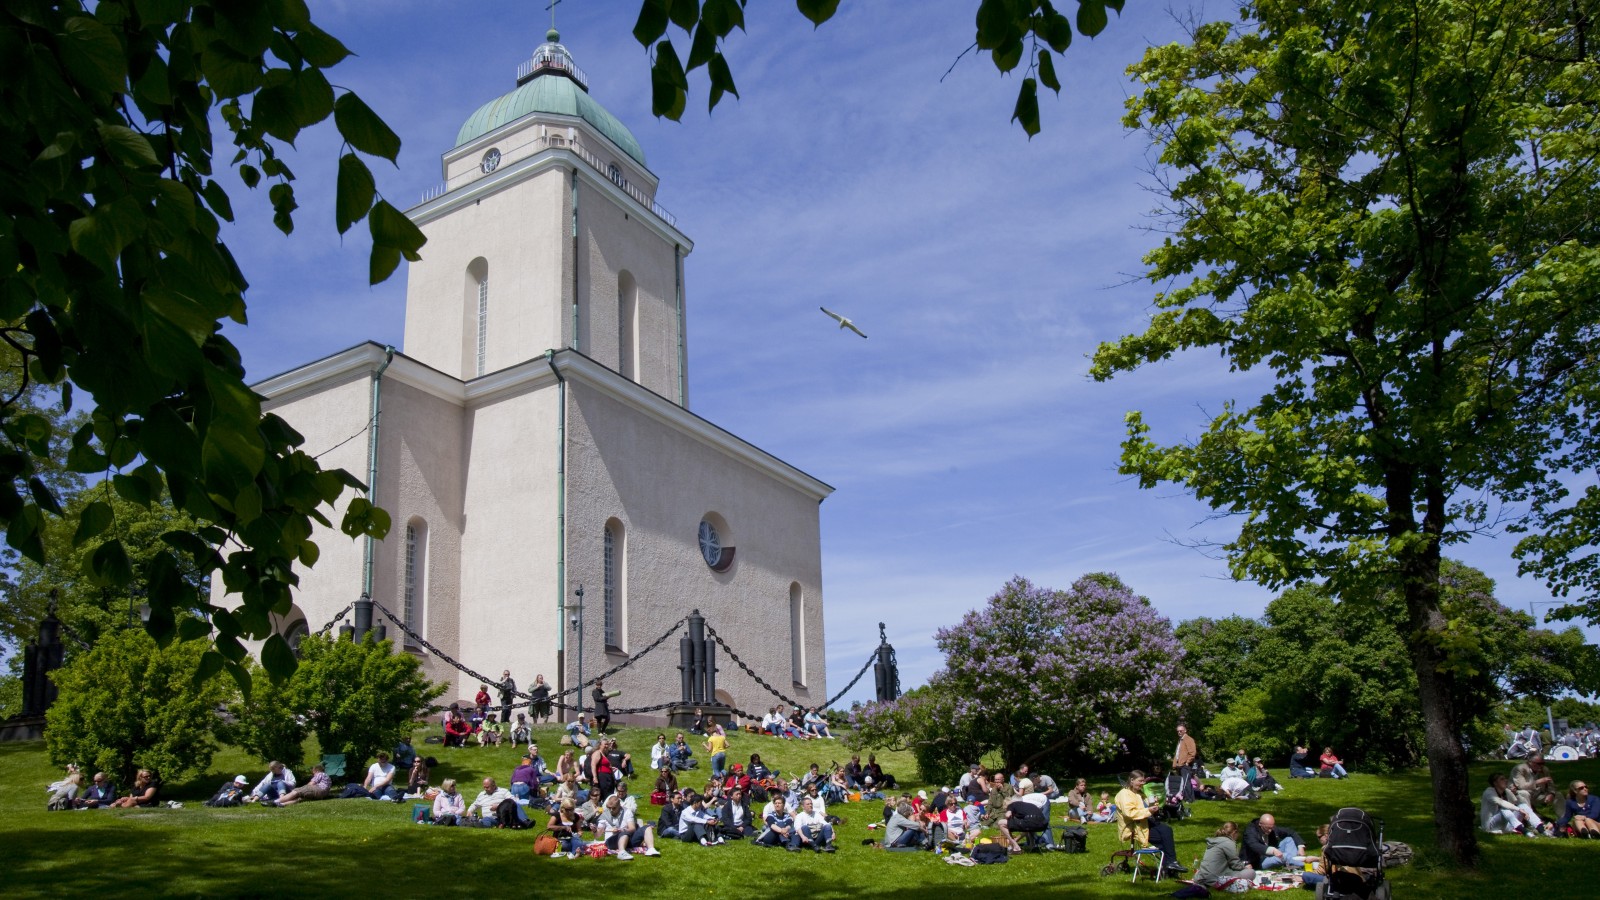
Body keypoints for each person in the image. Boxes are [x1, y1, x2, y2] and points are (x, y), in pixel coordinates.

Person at [1115, 770, 1182, 875]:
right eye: (1140, 781)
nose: (1142, 783)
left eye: (1143, 781)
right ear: (1132, 780)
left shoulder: (1139, 793)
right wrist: (1149, 811)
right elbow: (1130, 813)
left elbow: (1145, 807)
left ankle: (1170, 863)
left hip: (1144, 822)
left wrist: (1153, 805)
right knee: (1163, 840)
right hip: (1133, 826)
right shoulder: (1124, 794)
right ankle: (1168, 866)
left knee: (1167, 830)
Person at [596, 793, 660, 857]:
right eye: (609, 808)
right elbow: (598, 834)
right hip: (611, 842)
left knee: (647, 827)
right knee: (624, 833)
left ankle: (651, 849)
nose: (611, 810)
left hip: (628, 840)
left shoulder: (627, 811)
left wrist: (622, 830)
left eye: (614, 808)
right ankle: (622, 852)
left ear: (619, 805)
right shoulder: (604, 814)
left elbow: (632, 828)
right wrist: (595, 830)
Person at [1197, 821, 1254, 888]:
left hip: (1202, 876)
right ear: (1234, 832)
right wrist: (1244, 867)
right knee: (1251, 872)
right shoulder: (1229, 843)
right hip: (1215, 878)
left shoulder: (1215, 841)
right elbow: (1235, 865)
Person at [1243, 814, 1309, 869]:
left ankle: (1291, 862)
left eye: (1272, 827)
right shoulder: (1250, 831)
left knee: (1289, 839)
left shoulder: (1271, 828)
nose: (1270, 830)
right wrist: (1273, 850)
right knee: (1285, 856)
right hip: (1258, 860)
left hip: (1271, 855)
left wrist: (1300, 846)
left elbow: (1291, 832)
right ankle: (1305, 864)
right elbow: (1254, 845)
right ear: (1260, 824)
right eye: (1268, 828)